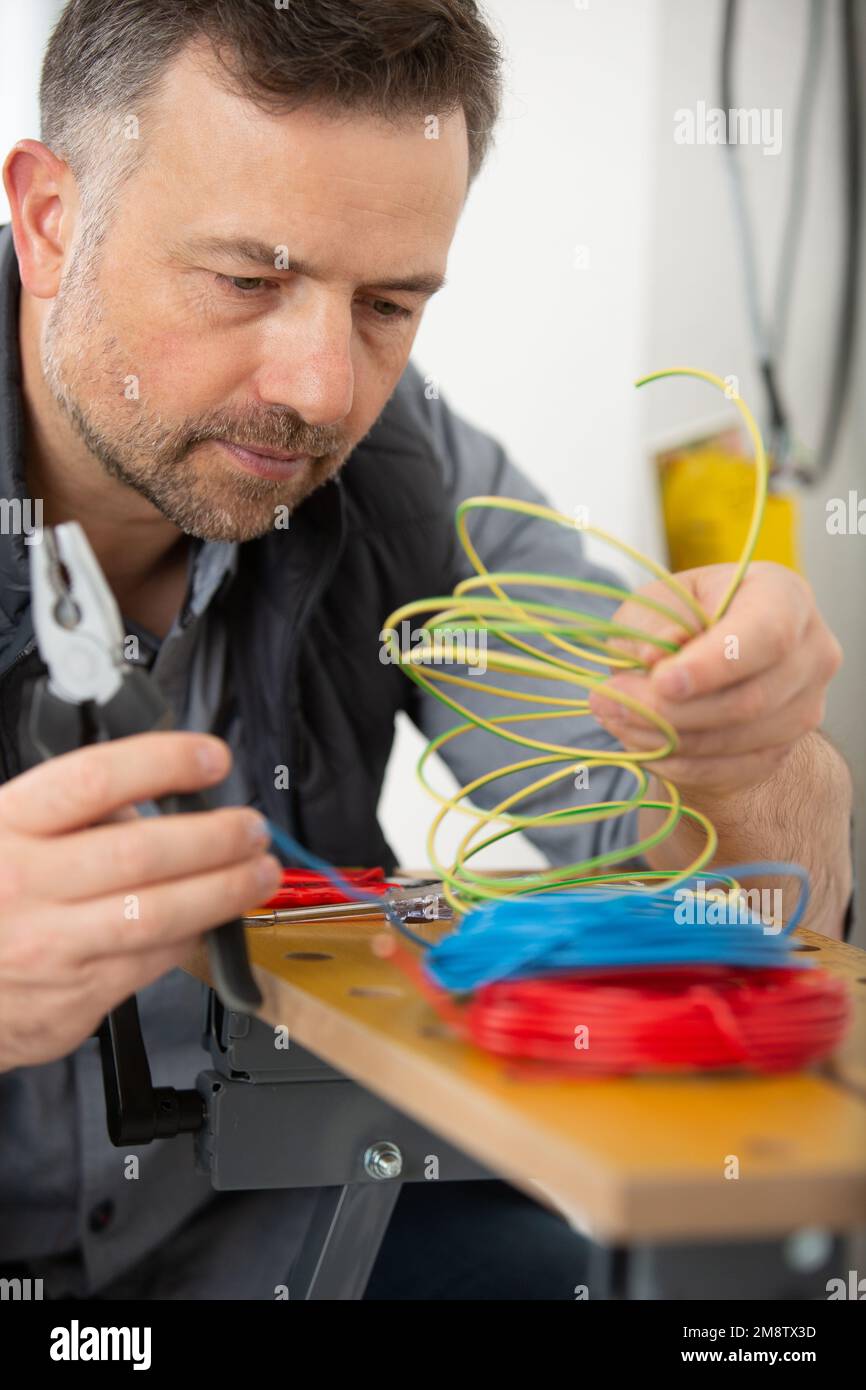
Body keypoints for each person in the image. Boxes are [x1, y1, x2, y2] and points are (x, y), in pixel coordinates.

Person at [0, 0, 852, 1300]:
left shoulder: (404, 477)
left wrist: (749, 760)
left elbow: (744, 911)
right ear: (51, 219)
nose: (324, 389)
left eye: (389, 302)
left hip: (290, 1232)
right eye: (248, 280)